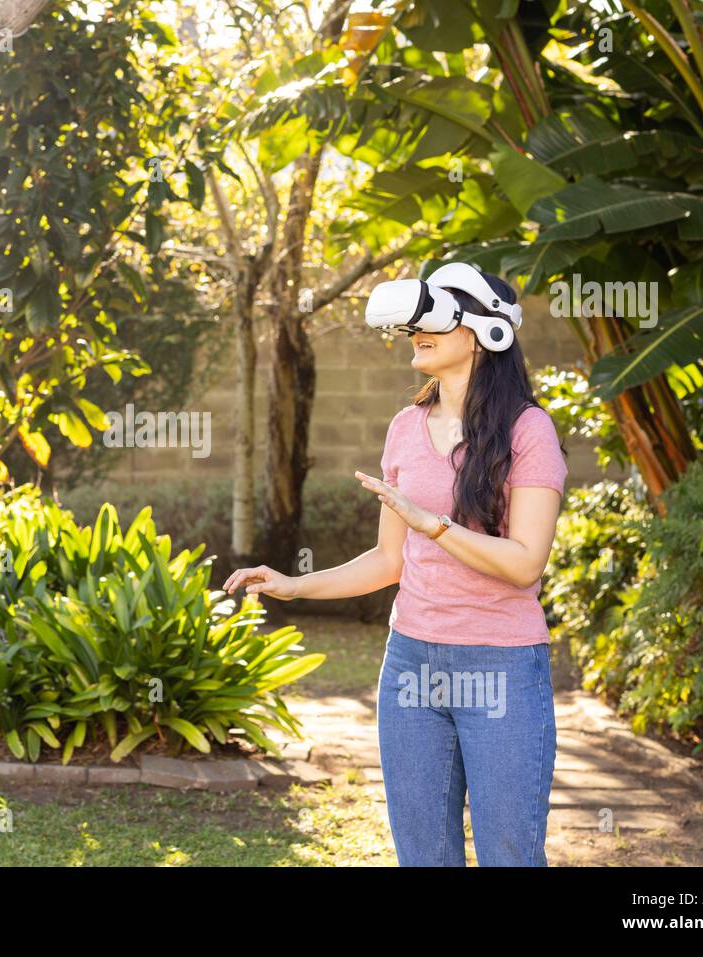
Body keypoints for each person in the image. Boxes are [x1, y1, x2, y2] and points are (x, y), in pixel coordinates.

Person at [224, 265, 568, 866]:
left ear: (487, 331)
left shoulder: (528, 430)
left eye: (443, 311)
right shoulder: (406, 428)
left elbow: (524, 564)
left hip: (502, 668)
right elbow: (390, 561)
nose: (419, 329)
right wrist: (293, 585)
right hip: (412, 665)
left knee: (510, 852)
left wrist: (430, 522)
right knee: (423, 855)